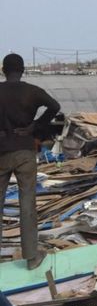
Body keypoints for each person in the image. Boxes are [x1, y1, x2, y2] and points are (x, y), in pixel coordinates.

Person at [0, 54, 60, 269]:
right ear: (23, 70)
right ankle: (32, 258)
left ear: (3, 70)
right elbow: (54, 106)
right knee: (27, 203)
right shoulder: (32, 91)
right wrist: (35, 126)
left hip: (2, 151)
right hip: (25, 150)